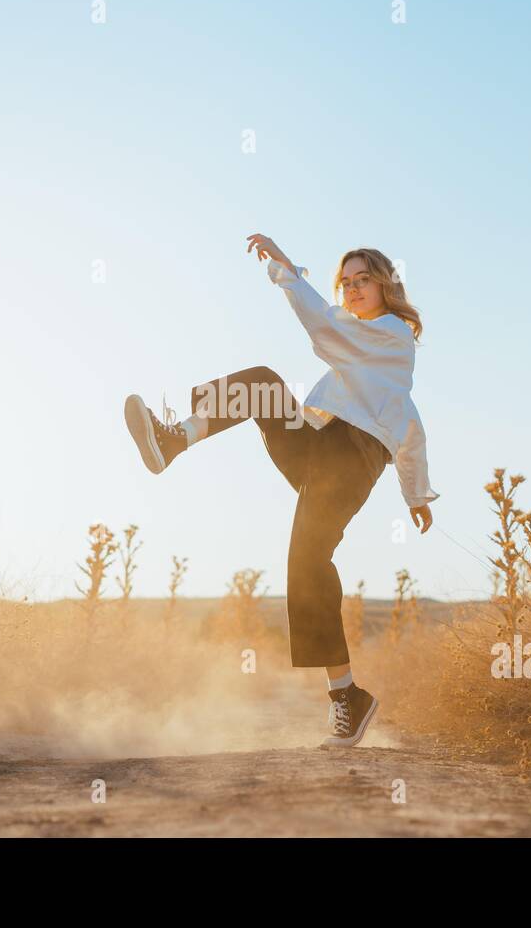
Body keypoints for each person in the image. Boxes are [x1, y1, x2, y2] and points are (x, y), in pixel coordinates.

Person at [124, 233, 439, 746]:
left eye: (365, 280)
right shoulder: (364, 355)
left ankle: (346, 698)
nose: (354, 288)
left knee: (307, 563)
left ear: (385, 286)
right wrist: (417, 493)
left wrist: (286, 271)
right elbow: (411, 426)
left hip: (352, 460)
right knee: (261, 383)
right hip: (317, 449)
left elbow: (404, 431)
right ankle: (174, 439)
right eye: (348, 281)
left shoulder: (390, 336)